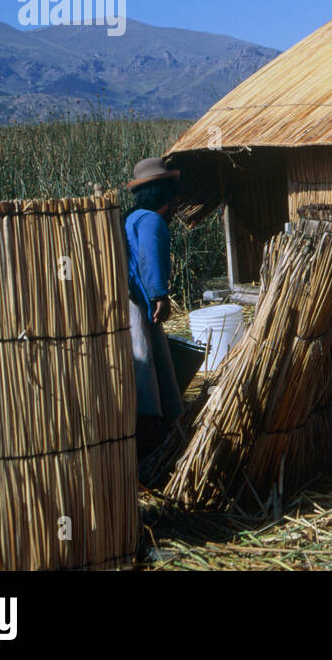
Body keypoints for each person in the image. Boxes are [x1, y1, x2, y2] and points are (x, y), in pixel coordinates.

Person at [124, 157, 184, 460]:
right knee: (144, 360)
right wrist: (159, 294)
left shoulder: (131, 217)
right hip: (138, 300)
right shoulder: (151, 221)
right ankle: (152, 429)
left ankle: (161, 419)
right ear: (166, 196)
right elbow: (150, 258)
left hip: (131, 297)